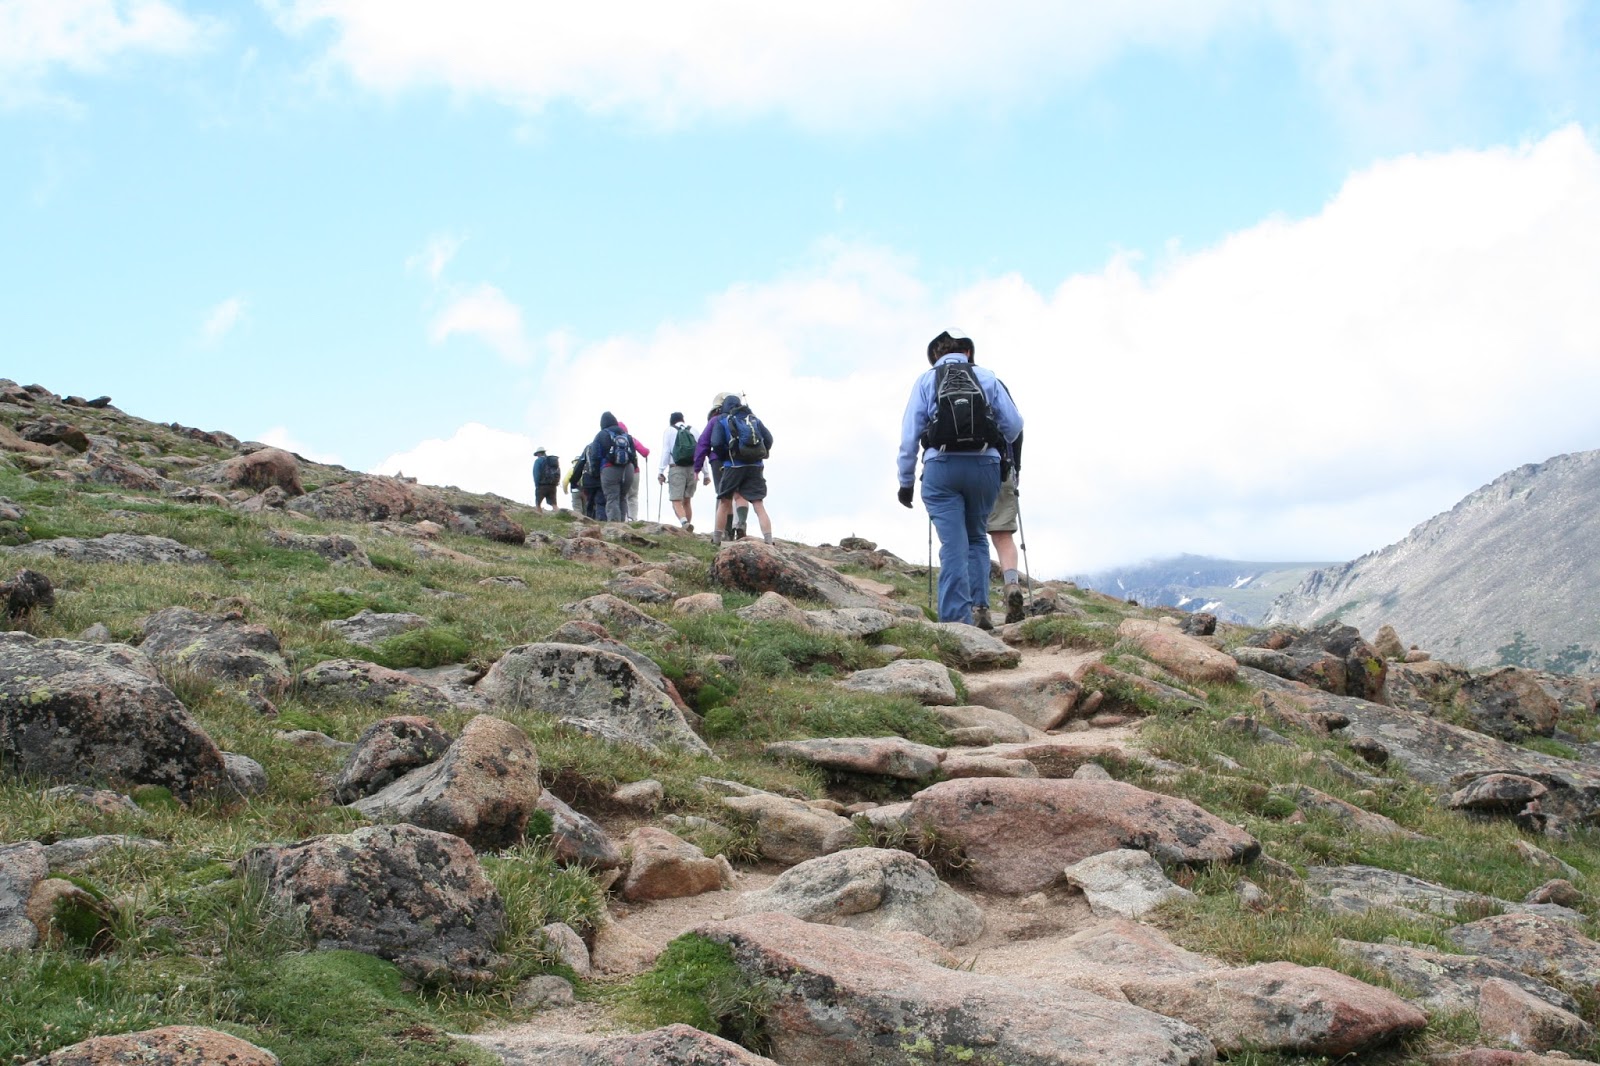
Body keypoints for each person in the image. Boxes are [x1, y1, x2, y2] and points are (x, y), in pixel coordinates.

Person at [897, 329, 1023, 629]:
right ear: (968, 352)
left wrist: (906, 481)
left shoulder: (927, 380)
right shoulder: (987, 377)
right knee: (977, 537)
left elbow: (909, 437)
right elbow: (1015, 425)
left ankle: (956, 622)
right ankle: (980, 609)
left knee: (954, 544)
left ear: (935, 355)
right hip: (985, 467)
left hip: (941, 466)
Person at [709, 392, 774, 546]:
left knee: (724, 501)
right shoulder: (753, 419)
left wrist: (727, 456)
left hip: (733, 465)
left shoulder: (722, 420)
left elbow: (716, 443)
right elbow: (769, 439)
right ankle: (769, 540)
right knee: (758, 503)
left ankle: (717, 539)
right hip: (755, 466)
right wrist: (758, 455)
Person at [986, 431, 1027, 623]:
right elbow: (1015, 427)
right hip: (999, 467)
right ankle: (1011, 584)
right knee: (1003, 536)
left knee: (968, 538)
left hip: (950, 467)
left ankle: (975, 603)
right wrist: (1015, 467)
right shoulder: (999, 398)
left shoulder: (936, 398)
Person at [590, 412, 635, 523]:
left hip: (609, 469)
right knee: (622, 497)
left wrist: (595, 473)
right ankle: (623, 525)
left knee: (612, 498)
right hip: (628, 470)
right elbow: (633, 455)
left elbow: (595, 456)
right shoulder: (626, 435)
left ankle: (615, 527)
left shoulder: (601, 435)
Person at [659, 411, 698, 531]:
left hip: (676, 467)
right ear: (683, 419)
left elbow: (666, 451)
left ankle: (684, 522)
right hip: (692, 468)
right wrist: (704, 473)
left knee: (676, 500)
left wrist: (661, 471)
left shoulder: (669, 431)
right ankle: (687, 528)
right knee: (687, 500)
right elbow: (700, 451)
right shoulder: (693, 430)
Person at [531, 447, 561, 513]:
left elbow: (536, 474)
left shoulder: (538, 461)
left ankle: (540, 518)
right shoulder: (552, 461)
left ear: (538, 454)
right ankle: (559, 515)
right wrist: (556, 482)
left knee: (538, 504)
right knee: (554, 504)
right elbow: (558, 471)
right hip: (553, 485)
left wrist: (537, 485)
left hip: (542, 485)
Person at [566, 450, 589, 515]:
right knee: (585, 508)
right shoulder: (586, 468)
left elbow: (565, 481)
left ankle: (579, 521)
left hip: (575, 491)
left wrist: (565, 490)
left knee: (577, 508)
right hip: (585, 491)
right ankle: (587, 521)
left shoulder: (572, 470)